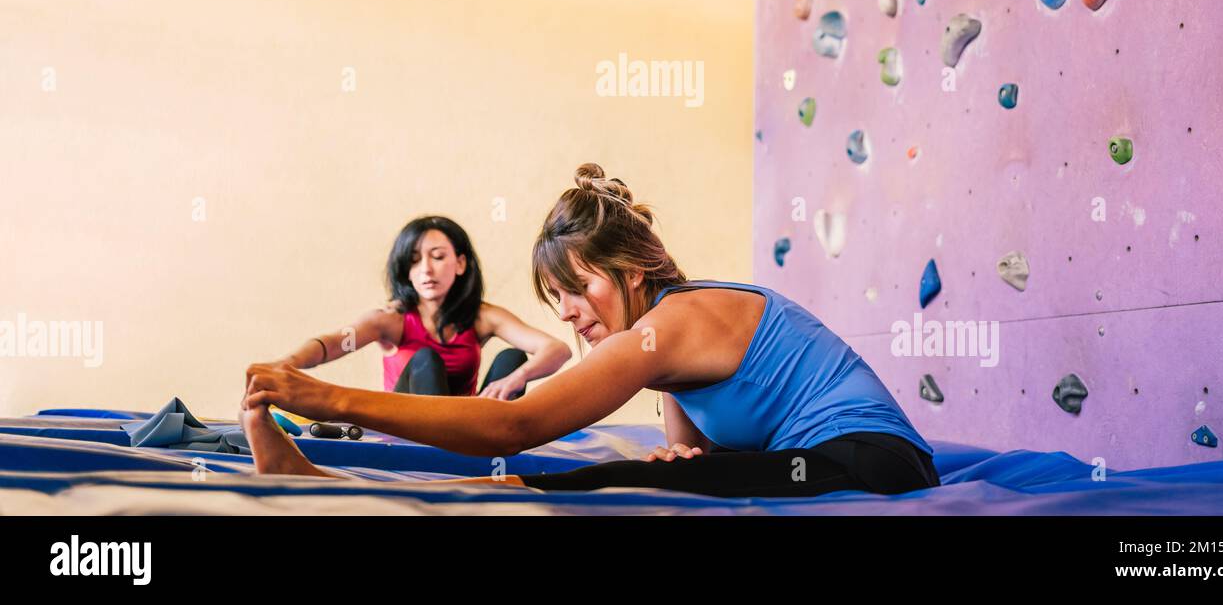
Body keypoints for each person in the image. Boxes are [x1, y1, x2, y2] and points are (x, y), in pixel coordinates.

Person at [241, 165, 941, 498]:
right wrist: (676, 463)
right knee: (631, 479)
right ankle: (332, 479)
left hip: (873, 463)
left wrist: (323, 398)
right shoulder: (666, 337)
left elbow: (518, 427)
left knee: (591, 480)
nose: (571, 313)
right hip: (832, 459)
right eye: (558, 298)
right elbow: (686, 453)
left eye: (580, 289)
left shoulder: (670, 325)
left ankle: (343, 485)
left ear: (633, 271)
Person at [274, 215, 570, 401]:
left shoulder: (482, 316)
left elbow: (557, 349)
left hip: (471, 429)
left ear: (461, 264)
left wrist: (518, 377)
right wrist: (287, 364)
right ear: (406, 270)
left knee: (513, 357)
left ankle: (482, 434)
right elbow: (334, 343)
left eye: (438, 256)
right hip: (412, 432)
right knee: (426, 359)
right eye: (415, 260)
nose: (426, 269)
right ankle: (446, 440)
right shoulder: (392, 320)